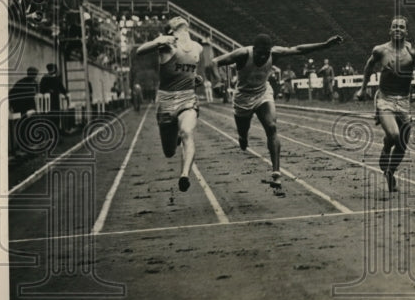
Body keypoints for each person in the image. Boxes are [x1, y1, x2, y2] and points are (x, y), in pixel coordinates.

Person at [215, 32, 343, 191]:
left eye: (266, 54)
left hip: (262, 93)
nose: (263, 57)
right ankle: (243, 136)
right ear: (253, 50)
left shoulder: (274, 53)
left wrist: (325, 44)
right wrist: (217, 81)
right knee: (243, 132)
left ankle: (276, 172)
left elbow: (298, 49)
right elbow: (214, 62)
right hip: (243, 97)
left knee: (271, 127)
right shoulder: (242, 54)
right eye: (260, 54)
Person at [355, 17, 415, 194]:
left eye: (401, 27)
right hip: (385, 99)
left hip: (404, 101)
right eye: (394, 26)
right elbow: (368, 66)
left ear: (406, 31)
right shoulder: (380, 50)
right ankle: (387, 146)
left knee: (402, 143)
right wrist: (363, 89)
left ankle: (390, 172)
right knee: (394, 134)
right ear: (389, 30)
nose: (397, 29)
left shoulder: (413, 51)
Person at [135, 17, 205, 192]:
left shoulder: (198, 47)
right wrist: (158, 41)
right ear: (171, 30)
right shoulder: (167, 45)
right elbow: (139, 51)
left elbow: (189, 69)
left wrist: (195, 78)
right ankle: (176, 139)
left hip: (187, 98)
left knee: (187, 132)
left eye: (181, 18)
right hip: (166, 101)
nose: (179, 18)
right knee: (169, 151)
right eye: (175, 20)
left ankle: (184, 175)